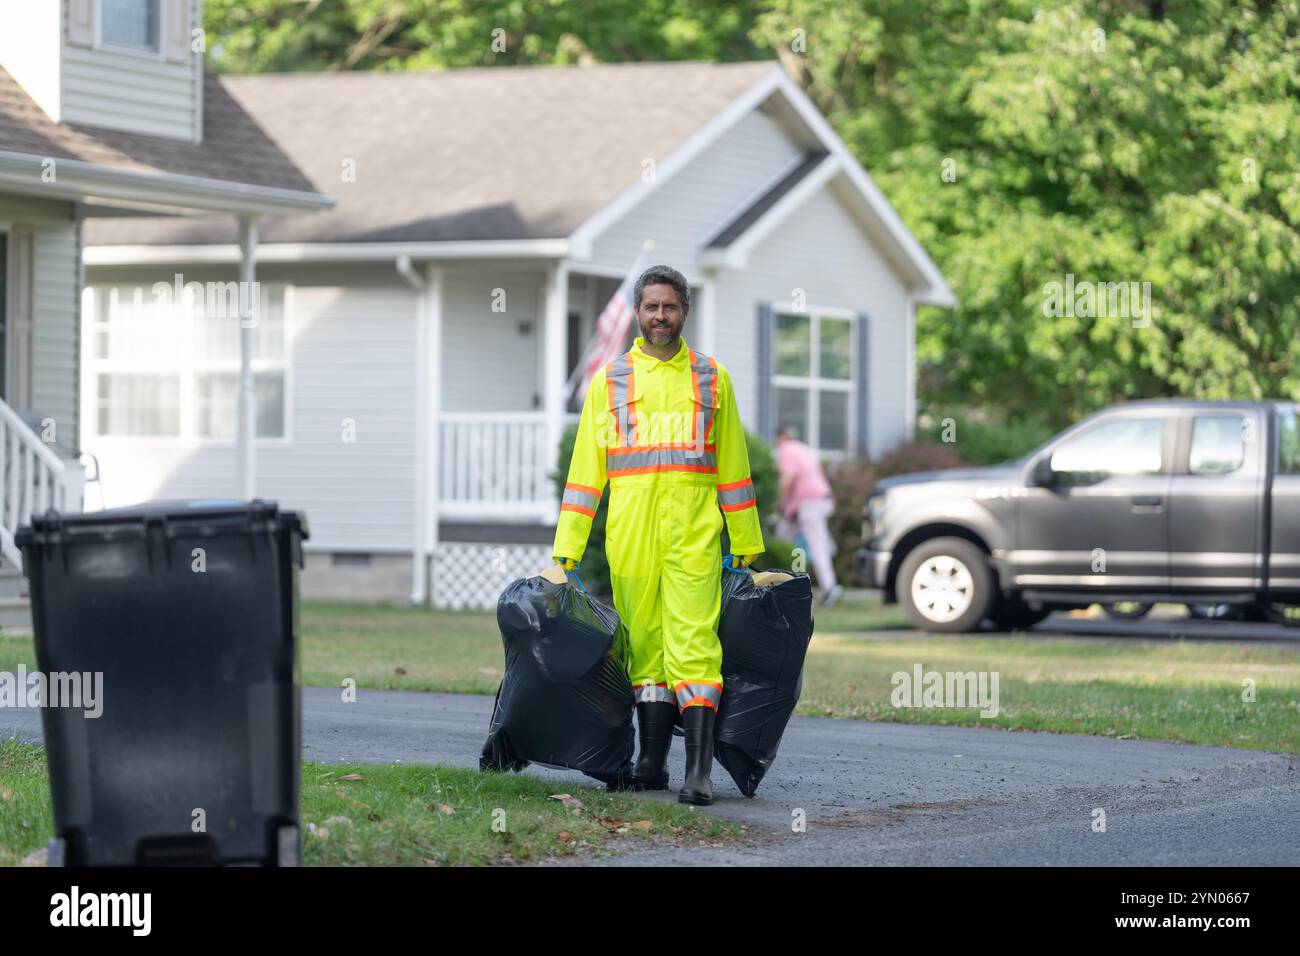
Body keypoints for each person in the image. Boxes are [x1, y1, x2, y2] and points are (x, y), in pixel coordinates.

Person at [552, 264, 764, 806]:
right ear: (639, 313)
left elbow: (733, 468)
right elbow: (584, 474)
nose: (660, 317)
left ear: (684, 311)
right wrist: (566, 553)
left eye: (670, 307)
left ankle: (698, 770)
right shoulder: (610, 381)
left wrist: (746, 544)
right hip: (631, 538)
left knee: (695, 648)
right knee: (644, 647)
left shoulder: (714, 379)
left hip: (694, 537)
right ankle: (650, 762)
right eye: (651, 308)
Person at [775, 424, 843, 608]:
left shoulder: (786, 450)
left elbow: (787, 478)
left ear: (780, 438)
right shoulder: (803, 449)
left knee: (815, 544)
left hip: (809, 504)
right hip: (816, 501)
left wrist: (779, 503)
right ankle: (785, 584)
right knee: (785, 537)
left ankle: (830, 588)